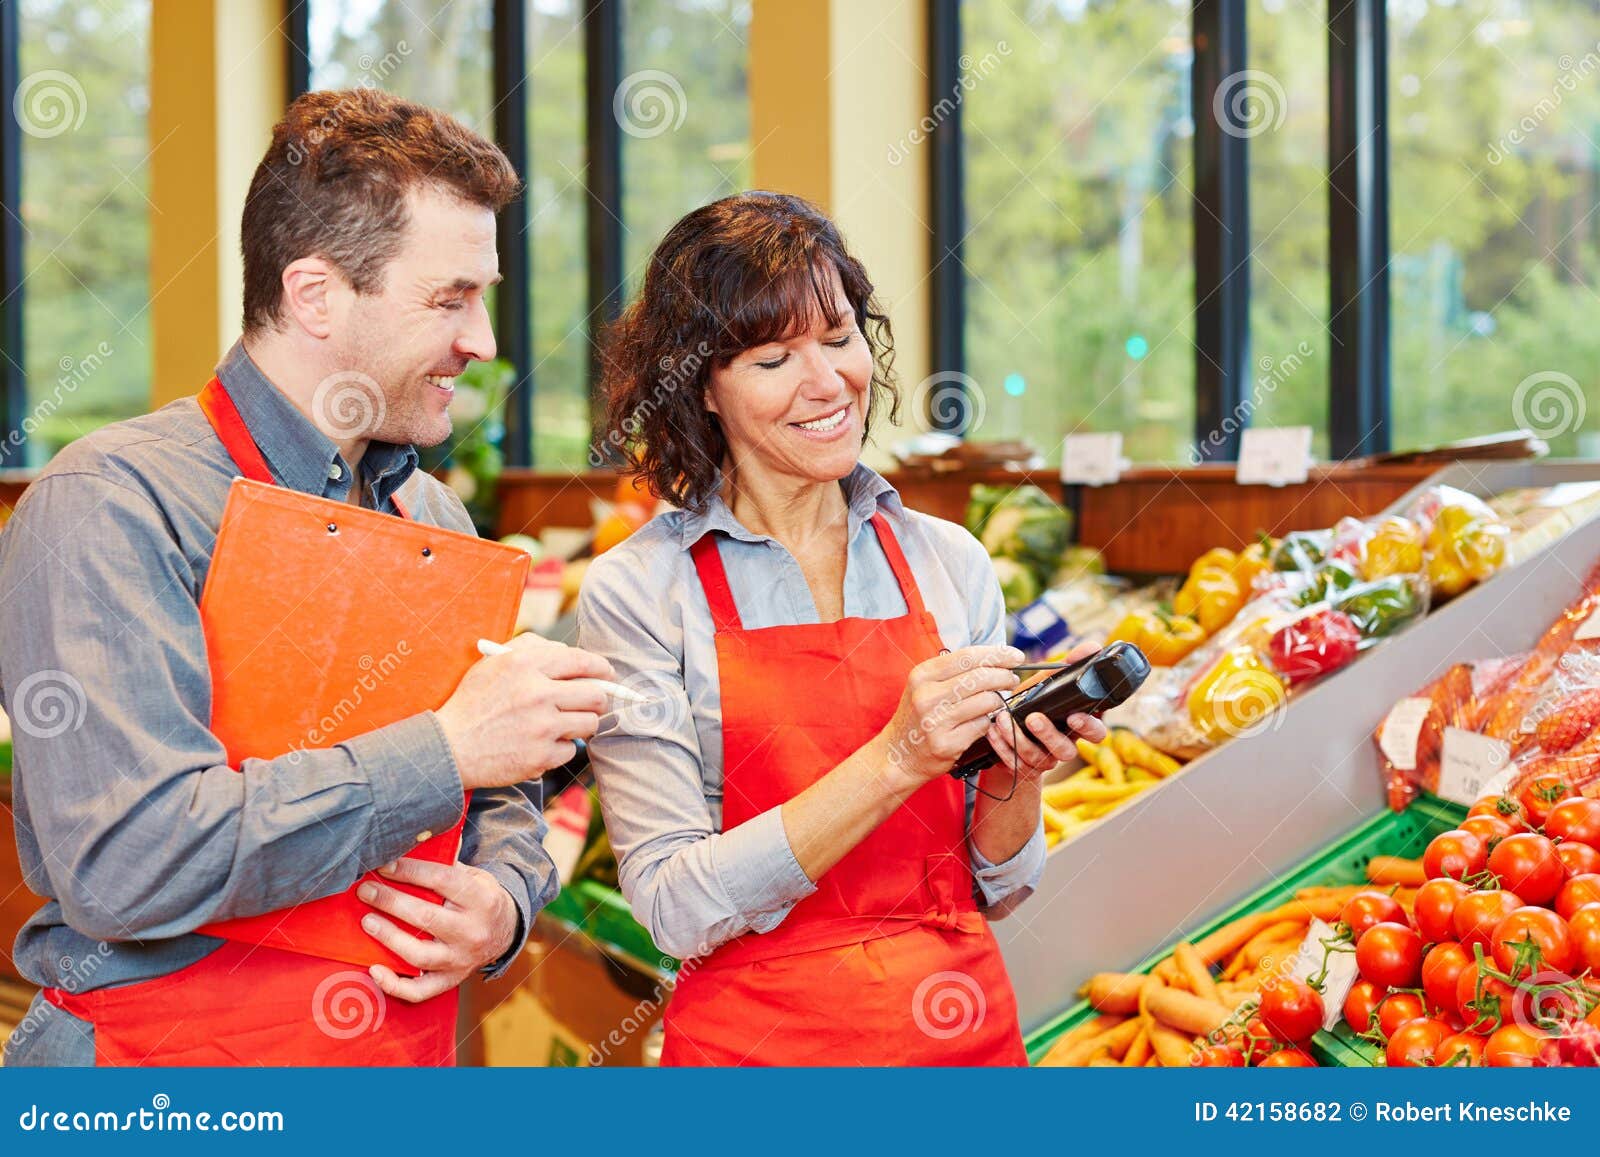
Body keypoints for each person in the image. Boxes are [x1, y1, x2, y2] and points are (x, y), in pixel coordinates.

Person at [0, 89, 613, 1067]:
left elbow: (506, 794)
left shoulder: (435, 518)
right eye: (450, 297)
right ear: (315, 293)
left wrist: (502, 903)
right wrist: (444, 747)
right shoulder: (111, 500)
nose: (484, 339)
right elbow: (128, 862)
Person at [579, 191, 1107, 1066]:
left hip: (960, 1040)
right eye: (774, 357)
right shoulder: (641, 590)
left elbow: (1000, 885)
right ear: (703, 386)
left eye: (838, 338)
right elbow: (674, 905)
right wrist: (896, 758)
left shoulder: (949, 560)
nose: (827, 382)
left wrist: (1022, 771)